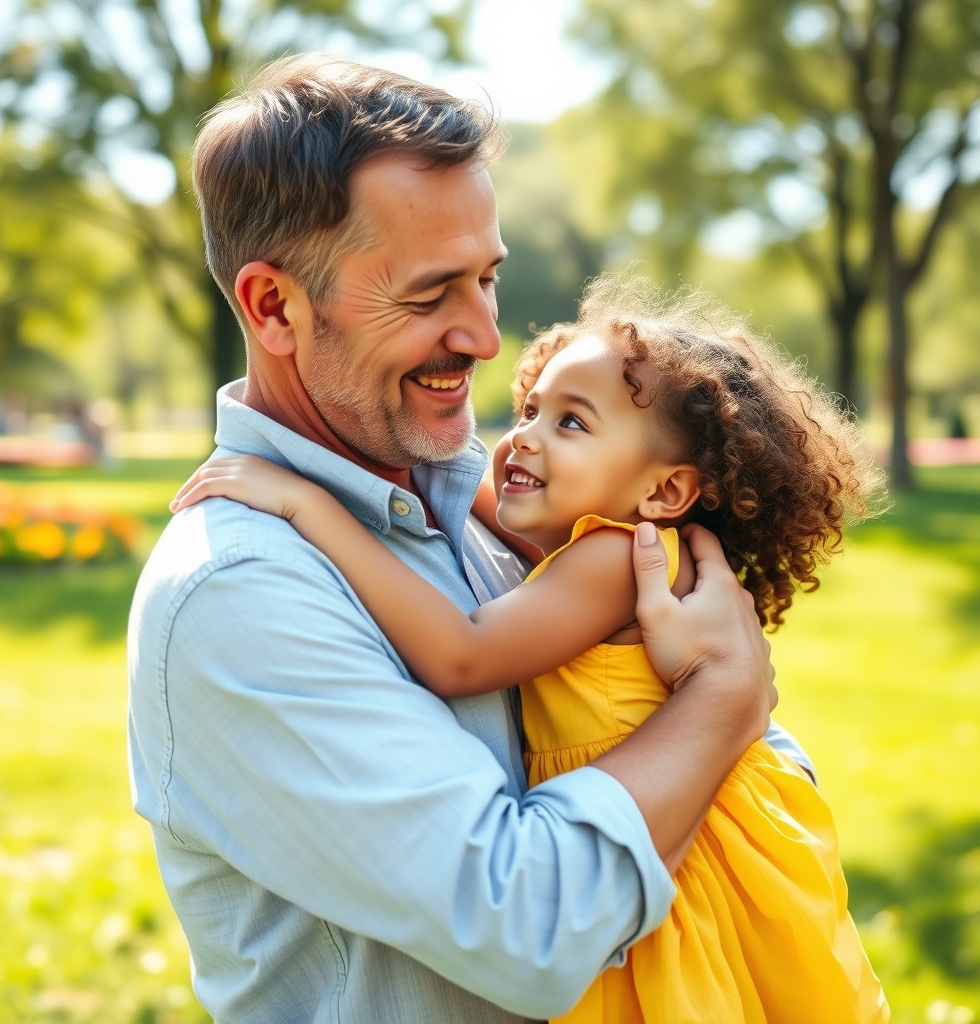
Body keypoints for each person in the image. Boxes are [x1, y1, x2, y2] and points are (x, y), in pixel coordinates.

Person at [128, 53, 791, 1023]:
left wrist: (729, 712)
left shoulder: (494, 503)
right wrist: (722, 702)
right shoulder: (237, 590)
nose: (487, 337)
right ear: (275, 306)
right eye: (430, 292)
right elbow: (528, 923)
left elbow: (742, 744)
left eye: (486, 278)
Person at [171, 273, 890, 1023]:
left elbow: (462, 656)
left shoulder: (619, 561)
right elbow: (464, 485)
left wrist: (307, 503)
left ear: (666, 491)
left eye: (572, 424)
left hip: (679, 865)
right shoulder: (597, 538)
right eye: (529, 408)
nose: (523, 437)